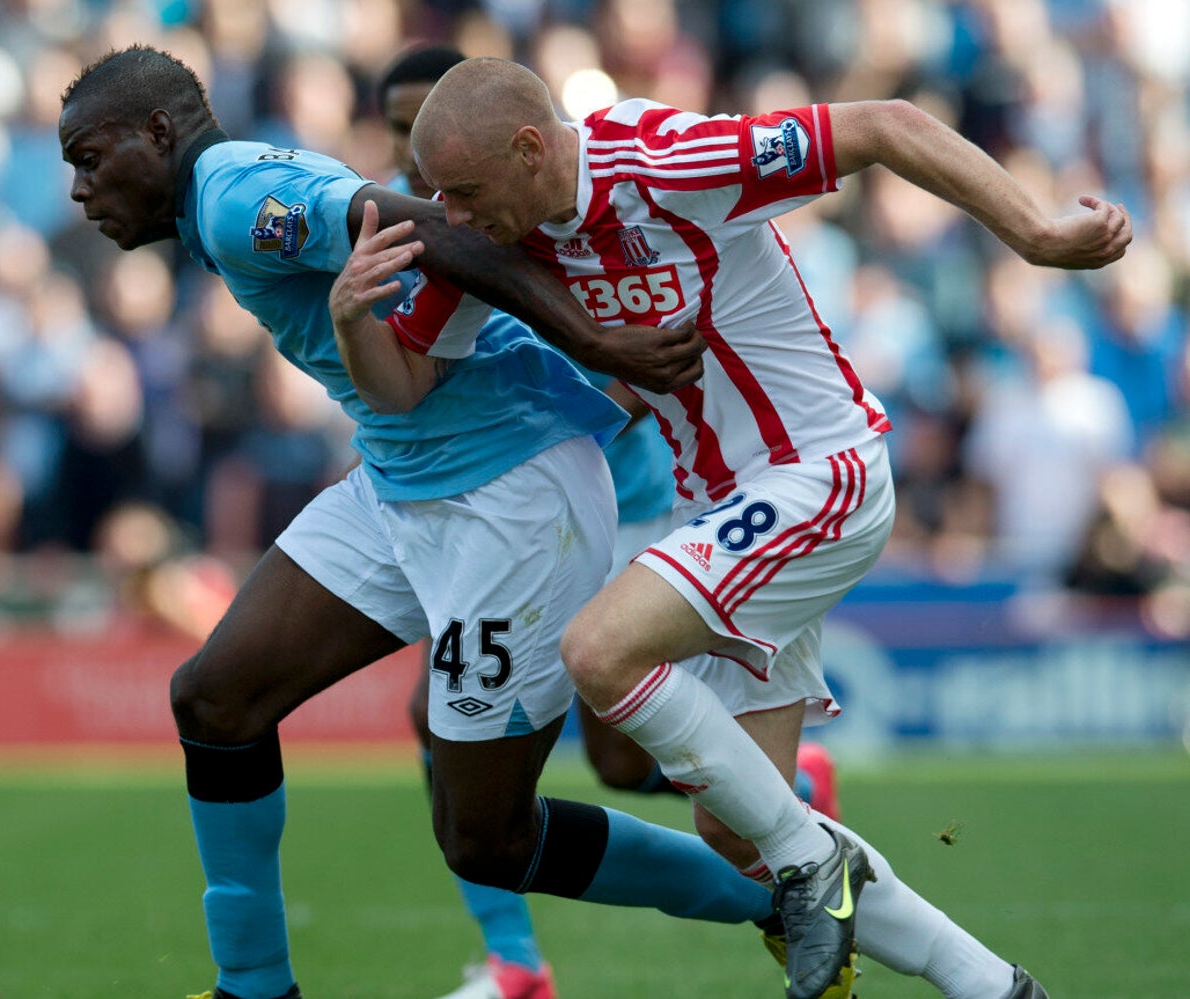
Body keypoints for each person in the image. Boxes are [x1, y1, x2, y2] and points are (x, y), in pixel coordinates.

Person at [359, 56, 1128, 999]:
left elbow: (885, 122)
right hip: (725, 514)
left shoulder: (663, 160)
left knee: (601, 651)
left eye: (468, 193)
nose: (459, 218)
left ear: (529, 148)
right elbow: (397, 384)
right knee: (739, 829)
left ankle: (817, 866)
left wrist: (1039, 234)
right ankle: (993, 986)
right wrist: (351, 309)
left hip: (820, 470)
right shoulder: (511, 235)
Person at [60, 46, 783, 999]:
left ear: (157, 134)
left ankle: (782, 895)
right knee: (215, 697)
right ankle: (253, 988)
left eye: (89, 157)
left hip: (507, 498)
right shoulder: (228, 200)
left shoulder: (235, 197)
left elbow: (436, 234)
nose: (78, 189)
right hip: (403, 479)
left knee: (487, 839)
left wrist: (594, 340)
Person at [372, 45, 844, 999]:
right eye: (399, 135)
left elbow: (663, 318)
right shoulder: (430, 212)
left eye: (434, 135)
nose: (424, 175)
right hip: (491, 506)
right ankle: (515, 961)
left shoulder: (553, 197)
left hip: (616, 494)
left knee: (623, 759)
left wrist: (598, 394)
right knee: (439, 715)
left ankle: (789, 805)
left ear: (517, 140)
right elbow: (409, 376)